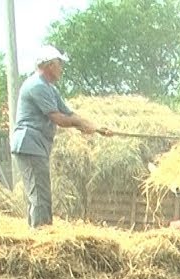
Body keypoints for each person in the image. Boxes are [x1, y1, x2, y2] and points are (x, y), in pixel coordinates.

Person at [9, 46, 110, 228]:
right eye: (59, 64)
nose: (61, 69)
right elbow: (58, 118)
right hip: (29, 143)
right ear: (49, 65)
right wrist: (81, 125)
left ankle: (38, 231)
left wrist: (96, 127)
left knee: (39, 194)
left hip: (35, 145)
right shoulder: (37, 86)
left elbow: (69, 113)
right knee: (40, 195)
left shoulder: (50, 88)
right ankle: (42, 234)